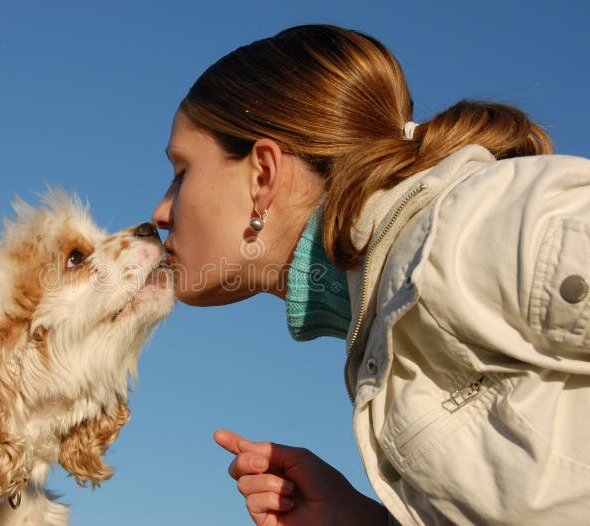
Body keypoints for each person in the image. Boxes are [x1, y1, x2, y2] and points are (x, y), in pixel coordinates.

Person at [151, 24, 590, 525]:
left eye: (181, 171)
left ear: (264, 177)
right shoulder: (381, 320)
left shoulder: (472, 226)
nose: (161, 212)